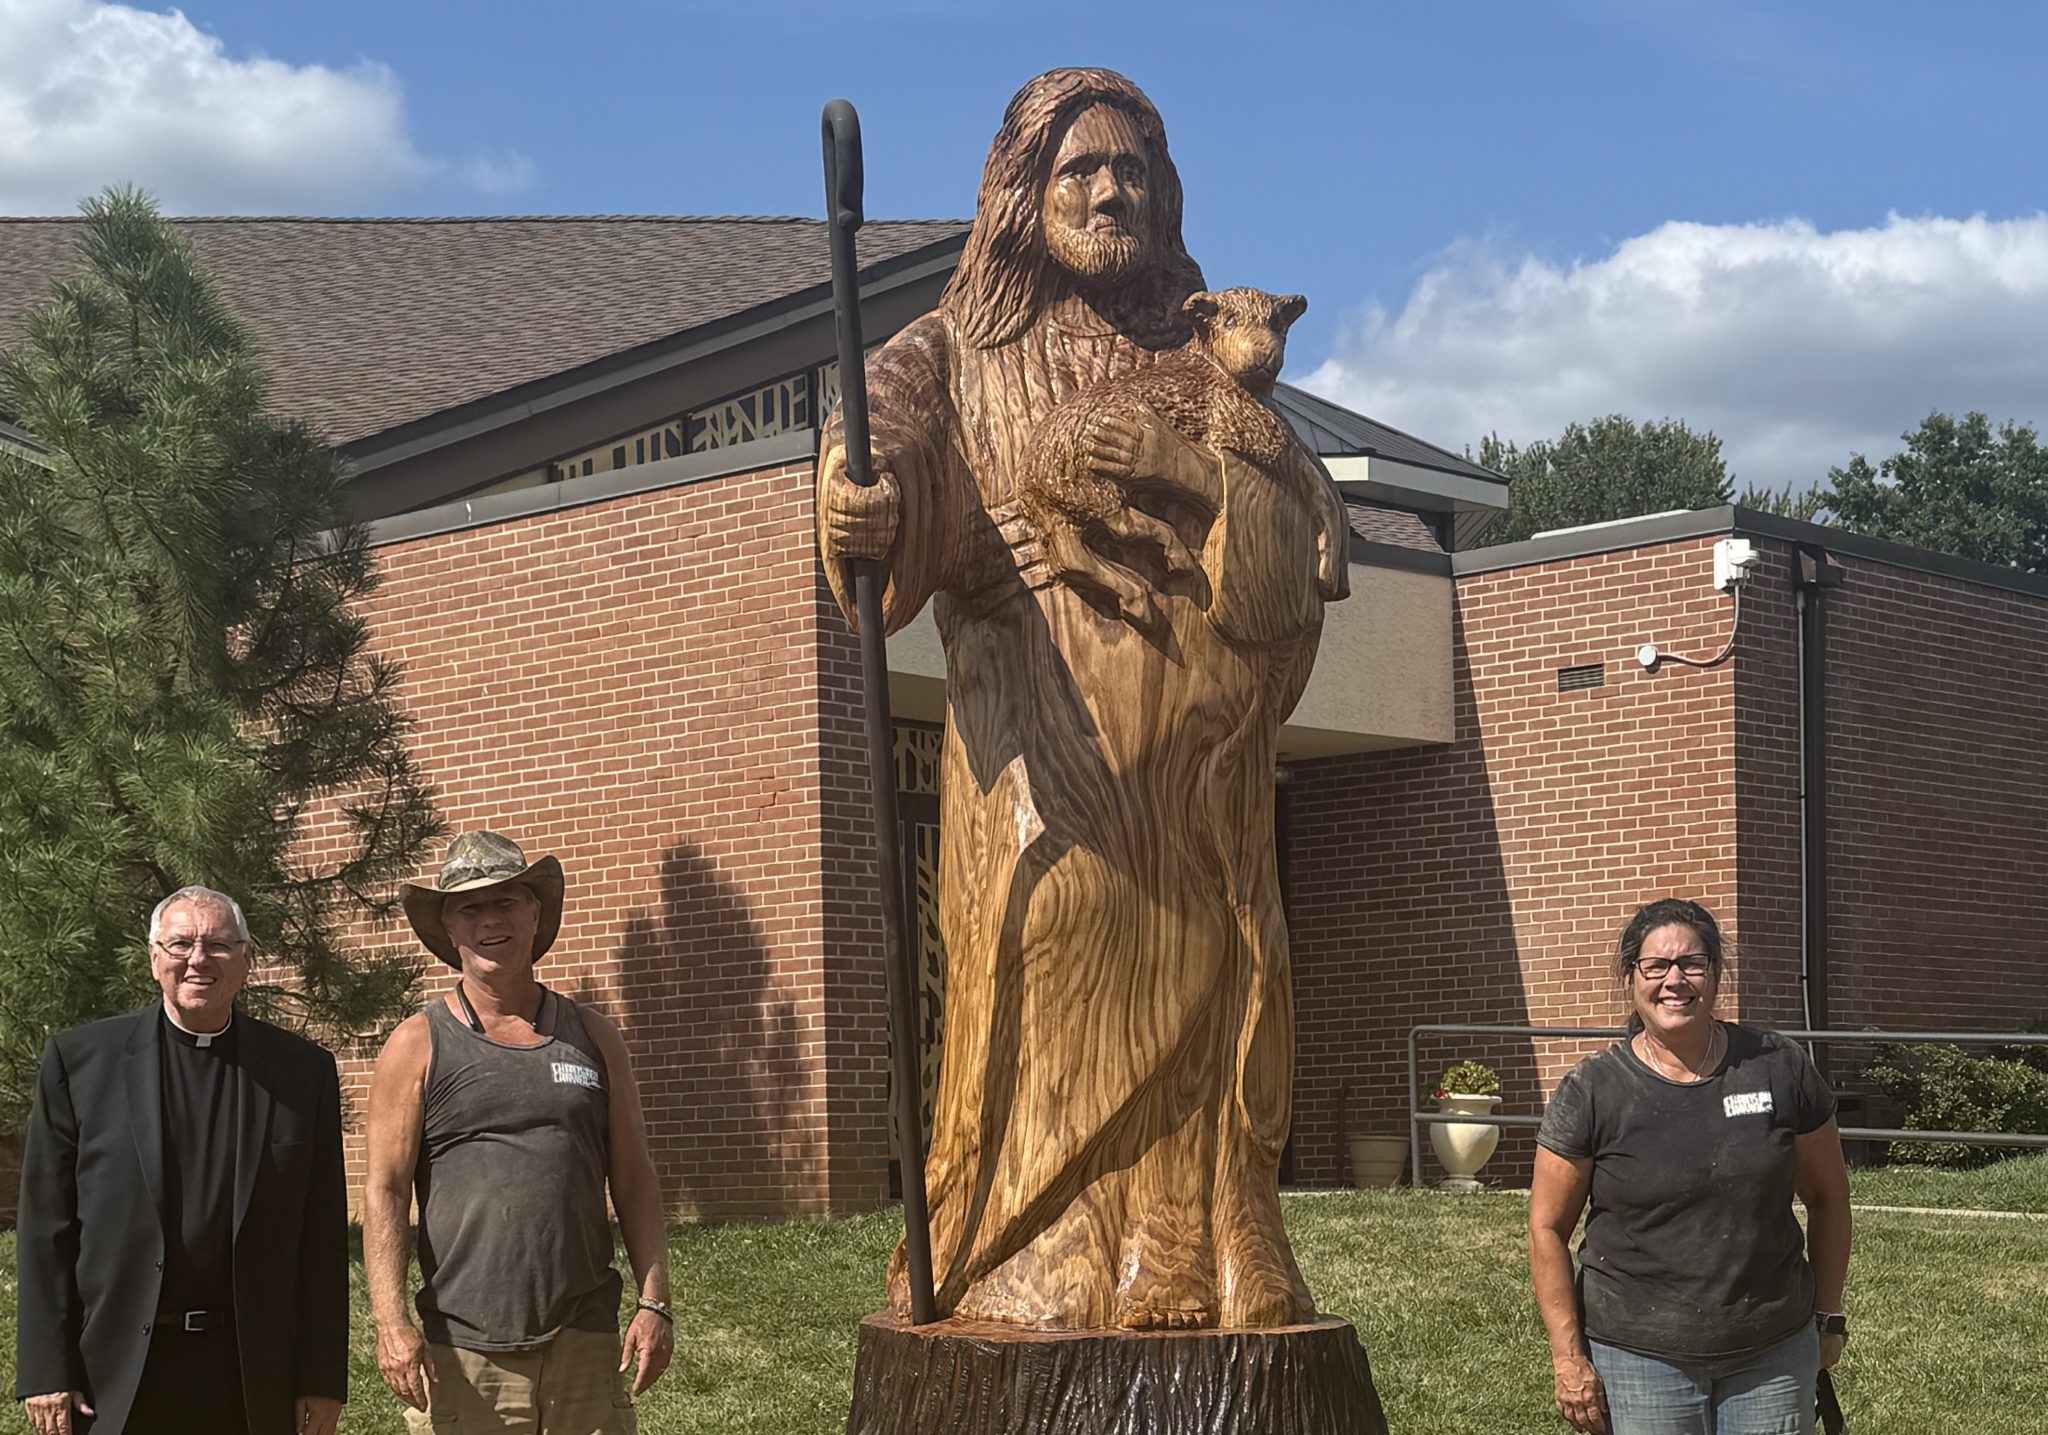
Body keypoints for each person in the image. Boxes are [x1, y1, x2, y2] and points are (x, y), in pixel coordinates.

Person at [816, 68, 1350, 1332]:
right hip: (1042, 767)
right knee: (1052, 996)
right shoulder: (949, 352)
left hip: (1204, 792)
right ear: (1021, 195)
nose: (1113, 191)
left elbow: (1303, 534)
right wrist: (859, 505)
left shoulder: (1209, 353)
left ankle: (1195, 1249)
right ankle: (1029, 1249)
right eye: (1081, 171)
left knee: (1213, 1009)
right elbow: (875, 457)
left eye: (1135, 173)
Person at [363, 831, 672, 1433]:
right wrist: (390, 1321)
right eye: (469, 908)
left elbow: (633, 1178)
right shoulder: (417, 1044)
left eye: (504, 901)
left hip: (585, 1337)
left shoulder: (594, 1037)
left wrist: (655, 1300)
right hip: (466, 1347)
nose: (489, 921)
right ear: (449, 930)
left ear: (535, 913)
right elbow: (385, 1190)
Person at [13, 887, 348, 1435]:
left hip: (251, 1374)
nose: (198, 959)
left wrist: (321, 1376)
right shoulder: (79, 1064)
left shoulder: (300, 1072)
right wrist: (47, 1369)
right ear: (153, 958)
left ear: (246, 959)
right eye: (181, 944)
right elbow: (46, 1228)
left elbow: (322, 1237)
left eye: (218, 945)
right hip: (116, 1375)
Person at [1529, 899, 1853, 1435]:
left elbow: (1829, 1198)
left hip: (1772, 1350)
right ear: (1631, 976)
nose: (1674, 980)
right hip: (1639, 1357)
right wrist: (1569, 1359)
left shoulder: (1778, 1067)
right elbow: (1546, 1229)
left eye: (1692, 964)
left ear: (1716, 973)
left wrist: (1828, 1317)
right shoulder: (1592, 1091)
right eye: (1656, 966)